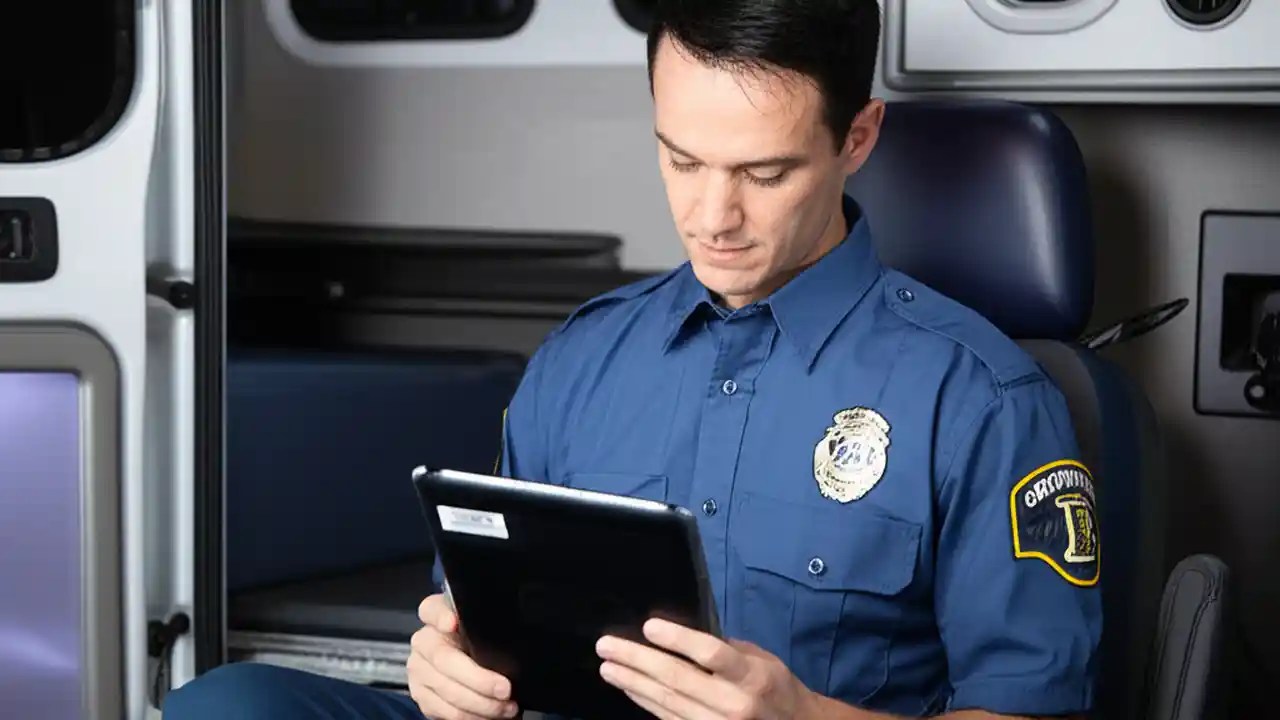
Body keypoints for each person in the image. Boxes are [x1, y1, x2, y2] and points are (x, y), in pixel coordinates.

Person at [164, 1, 1101, 718]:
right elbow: (475, 614)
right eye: (680, 160)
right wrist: (447, 663)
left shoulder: (982, 398)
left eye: (764, 174)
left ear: (856, 138)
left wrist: (805, 715)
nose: (711, 217)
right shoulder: (585, 355)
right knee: (227, 703)